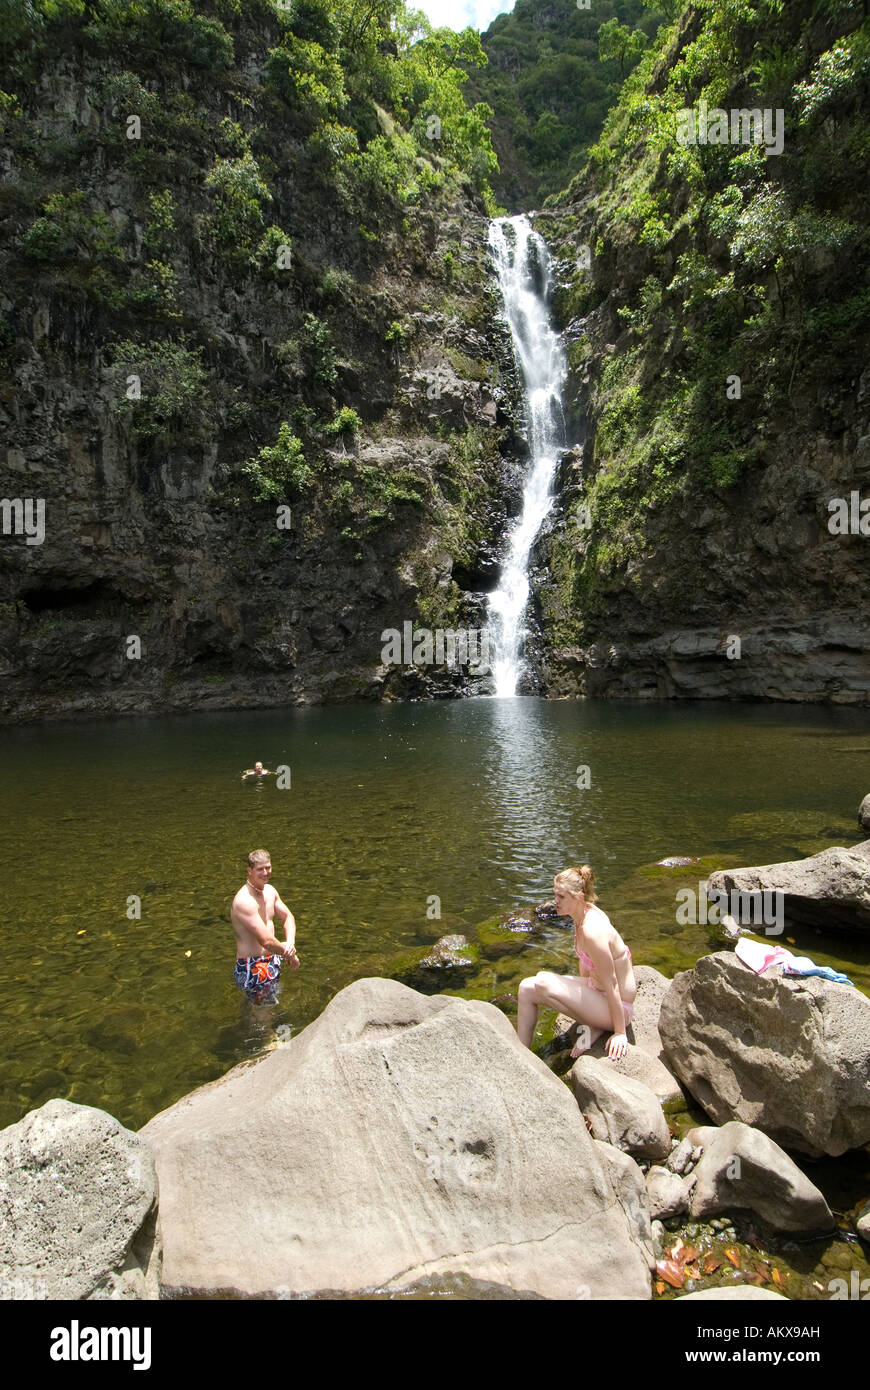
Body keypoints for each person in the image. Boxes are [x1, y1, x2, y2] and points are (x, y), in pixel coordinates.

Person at [517, 865, 636, 1060]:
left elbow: (612, 982)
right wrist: (587, 1007)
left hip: (618, 1007)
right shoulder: (579, 916)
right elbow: (587, 965)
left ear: (579, 897)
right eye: (555, 894)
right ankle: (521, 1056)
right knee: (526, 988)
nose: (555, 901)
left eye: (561, 896)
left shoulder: (592, 931)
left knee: (543, 982)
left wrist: (619, 1033)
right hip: (598, 993)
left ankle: (598, 1026)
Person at [230, 849, 300, 1004]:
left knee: (266, 1007)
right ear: (249, 871)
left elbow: (288, 917)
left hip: (272, 958)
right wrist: (290, 955)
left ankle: (249, 1024)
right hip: (252, 965)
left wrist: (290, 944)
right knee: (264, 1014)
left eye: (268, 867)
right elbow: (266, 941)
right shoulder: (244, 901)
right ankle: (264, 1028)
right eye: (260, 869)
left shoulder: (270, 891)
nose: (265, 872)